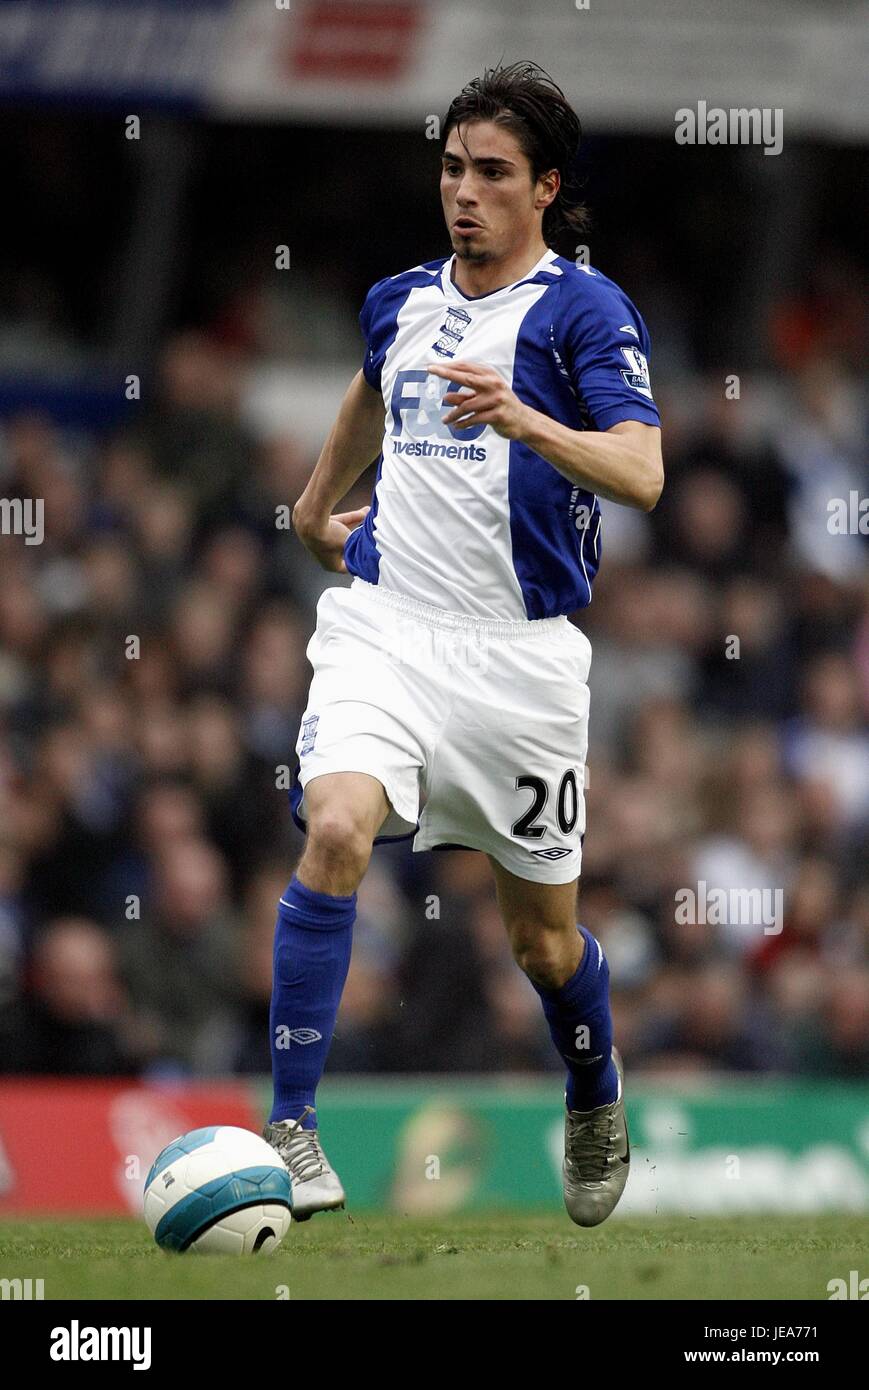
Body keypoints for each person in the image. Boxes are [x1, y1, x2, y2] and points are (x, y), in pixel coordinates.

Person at [264, 62, 664, 1225]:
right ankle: (292, 1124)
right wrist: (311, 503)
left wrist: (527, 417)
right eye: (451, 168)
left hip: (519, 662)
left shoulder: (586, 311)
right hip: (383, 625)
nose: (464, 192)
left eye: (492, 173)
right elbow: (370, 388)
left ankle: (592, 1084)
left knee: (543, 947)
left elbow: (640, 473)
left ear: (544, 188)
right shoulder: (401, 299)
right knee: (334, 822)